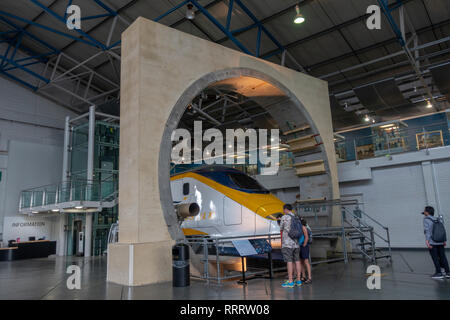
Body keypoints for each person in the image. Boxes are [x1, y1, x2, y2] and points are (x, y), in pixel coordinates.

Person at [422, 206, 450, 279]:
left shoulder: (426, 219)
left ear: (427, 212)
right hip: (440, 241)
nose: (424, 212)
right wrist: (444, 240)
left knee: (435, 258)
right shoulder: (438, 219)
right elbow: (442, 230)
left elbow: (428, 231)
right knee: (443, 257)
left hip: (433, 242)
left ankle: (439, 273)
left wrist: (427, 241)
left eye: (424, 211)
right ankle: (448, 272)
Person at [279, 204, 302, 288]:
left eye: (283, 209)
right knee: (297, 260)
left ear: (285, 209)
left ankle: (291, 281)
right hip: (296, 243)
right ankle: (299, 280)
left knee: (289, 261)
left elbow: (281, 228)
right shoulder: (296, 217)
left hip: (287, 243)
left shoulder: (284, 217)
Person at [300, 218, 312, 284]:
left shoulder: (303, 227)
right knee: (301, 262)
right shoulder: (301, 227)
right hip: (301, 245)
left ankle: (309, 277)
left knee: (306, 261)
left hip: (304, 246)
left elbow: (306, 237)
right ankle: (304, 276)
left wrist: (304, 245)